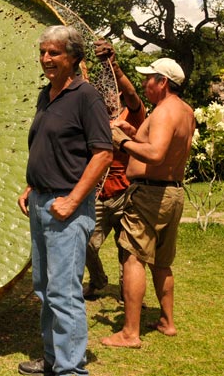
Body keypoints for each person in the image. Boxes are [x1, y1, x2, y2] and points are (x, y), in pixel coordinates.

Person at [17, 26, 113, 376]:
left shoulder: (86, 97)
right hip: (42, 202)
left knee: (63, 292)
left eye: (54, 53)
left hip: (66, 209)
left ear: (73, 57)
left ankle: (71, 370)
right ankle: (53, 358)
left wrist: (73, 201)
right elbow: (49, 145)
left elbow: (103, 154)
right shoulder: (47, 95)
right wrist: (32, 185)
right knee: (44, 288)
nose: (46, 59)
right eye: (43, 52)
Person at [101, 57, 195, 349]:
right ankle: (167, 321)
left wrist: (121, 141)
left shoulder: (165, 111)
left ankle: (130, 333)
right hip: (172, 192)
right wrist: (132, 133)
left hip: (151, 195)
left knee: (133, 257)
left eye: (149, 79)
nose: (145, 84)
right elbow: (163, 146)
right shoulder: (185, 111)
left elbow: (155, 154)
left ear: (163, 82)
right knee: (163, 263)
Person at [83, 42, 146, 299]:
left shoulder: (132, 114)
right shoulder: (91, 117)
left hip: (125, 193)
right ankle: (98, 281)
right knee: (85, 243)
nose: (107, 97)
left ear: (117, 95)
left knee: (127, 248)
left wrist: (114, 67)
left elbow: (132, 95)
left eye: (112, 93)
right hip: (97, 193)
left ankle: (127, 292)